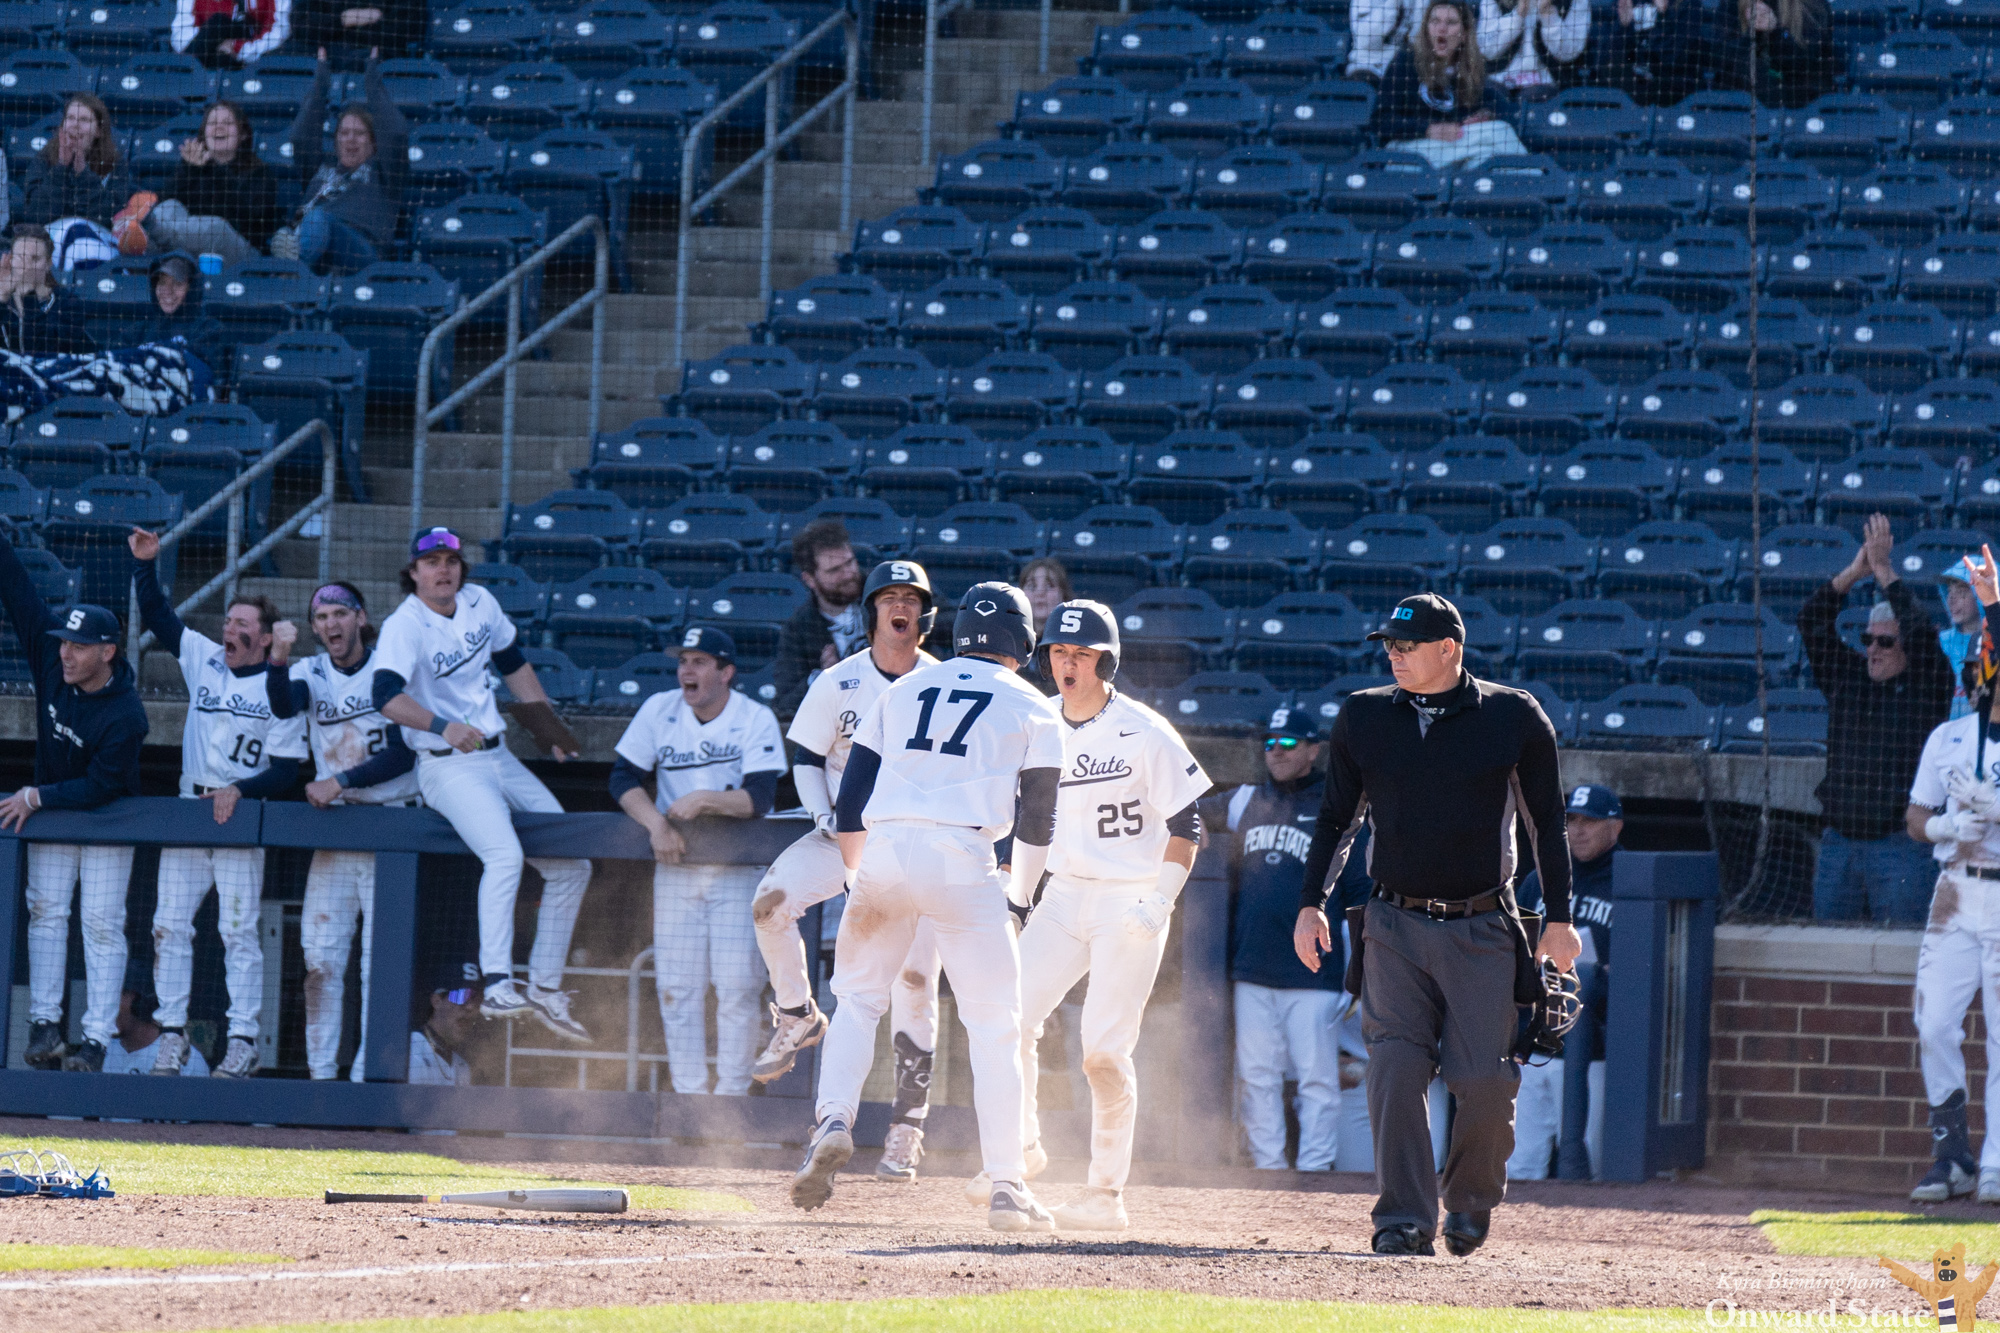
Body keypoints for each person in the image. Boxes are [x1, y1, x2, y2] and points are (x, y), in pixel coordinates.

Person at [1295, 592, 1578, 1257]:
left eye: (1406, 645)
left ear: (1449, 648)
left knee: (1483, 1079)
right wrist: (1313, 900)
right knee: (1393, 1068)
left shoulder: (1513, 715)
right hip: (1392, 923)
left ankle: (1471, 1198)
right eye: (1388, 645)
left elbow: (1549, 823)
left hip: (1482, 925)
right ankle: (1403, 1217)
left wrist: (1561, 917)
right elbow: (1338, 819)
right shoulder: (1363, 715)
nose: (1392, 654)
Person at [791, 583, 1064, 1233]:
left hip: (885, 847)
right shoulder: (1034, 704)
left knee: (857, 998)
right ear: (1024, 644)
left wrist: (862, 878)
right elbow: (1040, 819)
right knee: (995, 1025)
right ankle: (1006, 1184)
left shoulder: (902, 689)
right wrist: (1019, 901)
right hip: (962, 857)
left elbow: (851, 799)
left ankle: (831, 1120)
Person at [997, 600, 1209, 1232]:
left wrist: (1161, 897)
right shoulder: (1038, 724)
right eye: (1060, 652)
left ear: (1106, 659)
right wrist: (1016, 892)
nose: (1069, 663)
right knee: (1011, 1019)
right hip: (1062, 893)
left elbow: (1187, 822)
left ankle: (1104, 1194)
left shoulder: (1143, 729)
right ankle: (1024, 1148)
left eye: (1082, 653)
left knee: (1102, 1054)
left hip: (1131, 895)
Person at [749, 561, 945, 1181]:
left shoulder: (948, 682)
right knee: (770, 905)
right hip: (845, 832)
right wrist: (823, 813)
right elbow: (805, 754)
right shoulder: (839, 680)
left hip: (917, 846)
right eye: (888, 596)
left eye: (911, 598)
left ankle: (907, 1127)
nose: (900, 606)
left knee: (915, 982)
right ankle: (796, 1014)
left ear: (925, 614)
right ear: (871, 612)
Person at [372, 527, 595, 1043]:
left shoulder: (478, 601)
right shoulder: (406, 624)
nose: (442, 569)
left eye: (449, 559)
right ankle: (497, 983)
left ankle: (542, 987)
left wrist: (548, 729)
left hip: (498, 756)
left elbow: (513, 662)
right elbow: (384, 695)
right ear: (413, 572)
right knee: (504, 856)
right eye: (430, 562)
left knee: (573, 863)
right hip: (447, 763)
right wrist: (440, 725)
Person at [129, 526, 307, 1079]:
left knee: (236, 931)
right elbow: (159, 616)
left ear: (262, 638)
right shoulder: (205, 658)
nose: (229, 630)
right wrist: (145, 566)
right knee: (168, 926)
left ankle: (244, 1037)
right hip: (189, 804)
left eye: (241, 625)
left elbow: (285, 772)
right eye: (228, 621)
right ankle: (173, 1033)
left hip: (236, 814)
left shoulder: (283, 684)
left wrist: (240, 789)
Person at [610, 625, 786, 1097]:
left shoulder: (754, 717)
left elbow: (761, 798)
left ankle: (731, 1096)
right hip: (677, 867)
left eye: (700, 661)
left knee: (736, 988)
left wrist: (706, 798)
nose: (686, 669)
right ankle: (689, 1096)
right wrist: (656, 825)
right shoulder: (659, 710)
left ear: (726, 672)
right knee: (677, 989)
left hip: (736, 871)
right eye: (684, 660)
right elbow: (621, 778)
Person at [0, 530, 147, 1075]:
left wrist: (37, 795)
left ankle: (95, 1038)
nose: (65, 652)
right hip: (55, 814)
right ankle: (44, 1025)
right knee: (45, 913)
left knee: (103, 923)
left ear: (107, 652)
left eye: (78, 646)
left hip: (108, 817)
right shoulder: (51, 658)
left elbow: (101, 786)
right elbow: (16, 589)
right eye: (64, 641)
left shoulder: (127, 713)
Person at [264, 581, 419, 1081]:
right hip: (336, 830)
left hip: (390, 824)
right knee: (321, 962)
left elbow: (403, 753)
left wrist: (342, 780)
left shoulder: (387, 670)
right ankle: (322, 1079)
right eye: (321, 617)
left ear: (361, 618)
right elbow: (286, 704)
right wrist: (278, 657)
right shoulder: (310, 671)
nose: (330, 624)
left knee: (381, 964)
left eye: (339, 614)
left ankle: (369, 1079)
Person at [1227, 706, 1373, 1174]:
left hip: (1315, 971)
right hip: (1252, 967)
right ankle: (1268, 1167)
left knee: (1316, 1079)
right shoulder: (1244, 800)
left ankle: (1314, 1168)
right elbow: (1183, 817)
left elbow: (1358, 893)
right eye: (1269, 742)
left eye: (1289, 743)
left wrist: (1360, 968)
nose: (1276, 751)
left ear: (1314, 749)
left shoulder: (1338, 807)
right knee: (1256, 1077)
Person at [1904, 544, 2000, 1204]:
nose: (1979, 678)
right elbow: (1915, 816)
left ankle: (1996, 1161)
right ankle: (1953, 1153)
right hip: (1954, 891)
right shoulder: (1949, 736)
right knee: (1935, 1022)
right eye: (1975, 670)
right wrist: (1943, 827)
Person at [1801, 513, 1954, 925]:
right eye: (1869, 639)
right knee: (1828, 952)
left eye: (1887, 641)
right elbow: (1811, 622)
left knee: (1903, 955)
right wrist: (1854, 572)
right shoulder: (1847, 676)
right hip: (1839, 845)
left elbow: (1923, 636)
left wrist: (1885, 571)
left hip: (1900, 847)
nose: (1874, 649)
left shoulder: (1928, 685)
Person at [1509, 783, 1616, 1182]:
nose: (1579, 830)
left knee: (1593, 1165)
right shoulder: (1540, 882)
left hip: (1595, 1051)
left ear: (1616, 827)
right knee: (1520, 1165)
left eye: (1591, 821)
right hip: (1535, 1043)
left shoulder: (1631, 880)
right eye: (1572, 821)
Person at [273, 49, 409, 274]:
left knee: (316, 218)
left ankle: (292, 274)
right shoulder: (320, 168)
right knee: (284, 235)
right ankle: (293, 264)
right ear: (335, 140)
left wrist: (371, 81)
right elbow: (299, 136)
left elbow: (396, 134)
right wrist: (322, 83)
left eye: (359, 133)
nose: (350, 139)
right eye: (344, 133)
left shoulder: (385, 172)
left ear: (374, 143)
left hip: (362, 255)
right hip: (316, 246)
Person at [1371, 0, 1529, 169]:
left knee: (1487, 160)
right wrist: (1428, 130)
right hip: (1407, 153)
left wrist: (1485, 114)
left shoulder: (1469, 71)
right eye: (1435, 21)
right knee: (1499, 133)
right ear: (1426, 28)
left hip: (1454, 152)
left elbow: (1502, 107)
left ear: (1464, 34)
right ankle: (1539, 181)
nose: (1442, 28)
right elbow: (1380, 121)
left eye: (1451, 22)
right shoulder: (1406, 61)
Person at [139, 101, 282, 265]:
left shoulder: (261, 173)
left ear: (243, 134)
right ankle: (148, 242)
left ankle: (147, 231)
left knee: (216, 228)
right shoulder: (194, 166)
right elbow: (166, 199)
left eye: (227, 123)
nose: (218, 127)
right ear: (204, 133)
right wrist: (188, 169)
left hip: (241, 254)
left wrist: (213, 168)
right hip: (191, 249)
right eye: (212, 123)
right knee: (169, 207)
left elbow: (246, 217)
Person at [19, 95, 138, 269]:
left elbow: (110, 217)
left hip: (97, 239)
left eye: (84, 120)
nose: (75, 124)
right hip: (51, 239)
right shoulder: (44, 159)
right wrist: (61, 167)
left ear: (98, 130)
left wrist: (82, 172)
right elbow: (36, 214)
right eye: (71, 118)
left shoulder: (115, 163)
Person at [772, 519, 866, 720]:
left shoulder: (884, 591)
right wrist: (822, 677)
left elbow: (944, 622)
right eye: (834, 570)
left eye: (850, 562)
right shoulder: (798, 629)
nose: (848, 574)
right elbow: (784, 705)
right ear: (810, 579)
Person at [1713, 0, 1840, 110]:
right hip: (1742, 106)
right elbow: (1722, 57)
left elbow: (1806, 59)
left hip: (1800, 103)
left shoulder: (1812, 4)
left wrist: (1776, 31)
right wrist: (1751, 32)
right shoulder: (1732, 3)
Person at [124, 252, 228, 373]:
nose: (167, 291)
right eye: (162, 282)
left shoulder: (209, 330)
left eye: (178, 284)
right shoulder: (136, 332)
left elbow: (204, 376)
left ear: (192, 289)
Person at [1591, 0, 1708, 106]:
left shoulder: (1687, 4)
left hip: (1672, 90)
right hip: (1631, 89)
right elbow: (1605, 58)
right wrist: (1624, 27)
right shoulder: (1625, 3)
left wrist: (1664, 16)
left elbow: (1678, 57)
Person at [102, 965, 212, 1076]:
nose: (107, 1006)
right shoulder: (100, 1052)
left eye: (115, 996)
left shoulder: (186, 1058)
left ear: (139, 1004)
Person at [0, 226, 90, 358]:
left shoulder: (69, 306)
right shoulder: (4, 300)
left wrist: (29, 297)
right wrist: (1, 297)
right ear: (10, 259)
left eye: (35, 259)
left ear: (48, 263)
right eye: (20, 257)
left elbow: (44, 355)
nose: (26, 265)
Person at [1477, 0, 1589, 99]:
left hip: (1547, 83)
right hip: (1498, 80)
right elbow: (1487, 50)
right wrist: (1518, 15)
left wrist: (1549, 16)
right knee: (1488, 96)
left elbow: (1569, 53)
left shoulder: (1576, 2)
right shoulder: (1493, 2)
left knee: (1531, 98)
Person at [292, 0, 424, 68]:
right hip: (326, 63)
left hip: (379, 65)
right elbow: (301, 25)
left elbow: (405, 30)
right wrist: (345, 19)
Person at [409, 969, 482, 1087]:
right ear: (437, 1001)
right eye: (461, 996)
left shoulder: (462, 1066)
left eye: (476, 999)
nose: (470, 1007)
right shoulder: (412, 1051)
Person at [172, 0, 293, 67]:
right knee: (218, 24)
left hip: (255, 57)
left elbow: (280, 34)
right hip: (211, 58)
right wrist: (217, 45)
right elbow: (180, 36)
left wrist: (238, 47)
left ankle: (184, 70)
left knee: (219, 22)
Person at [1942, 561, 1984, 722]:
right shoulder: (1940, 642)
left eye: (1961, 592)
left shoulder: (1995, 645)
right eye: (1949, 591)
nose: (1951, 599)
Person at [1348, 0, 1424, 81]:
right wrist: (1393, 3)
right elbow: (1365, 42)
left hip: (1404, 66)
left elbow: (1418, 39)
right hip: (1367, 65)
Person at [1017, 557, 1073, 637]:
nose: (1040, 593)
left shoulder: (1073, 644)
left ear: (1063, 594)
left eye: (1049, 586)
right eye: (1032, 586)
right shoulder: (1010, 641)